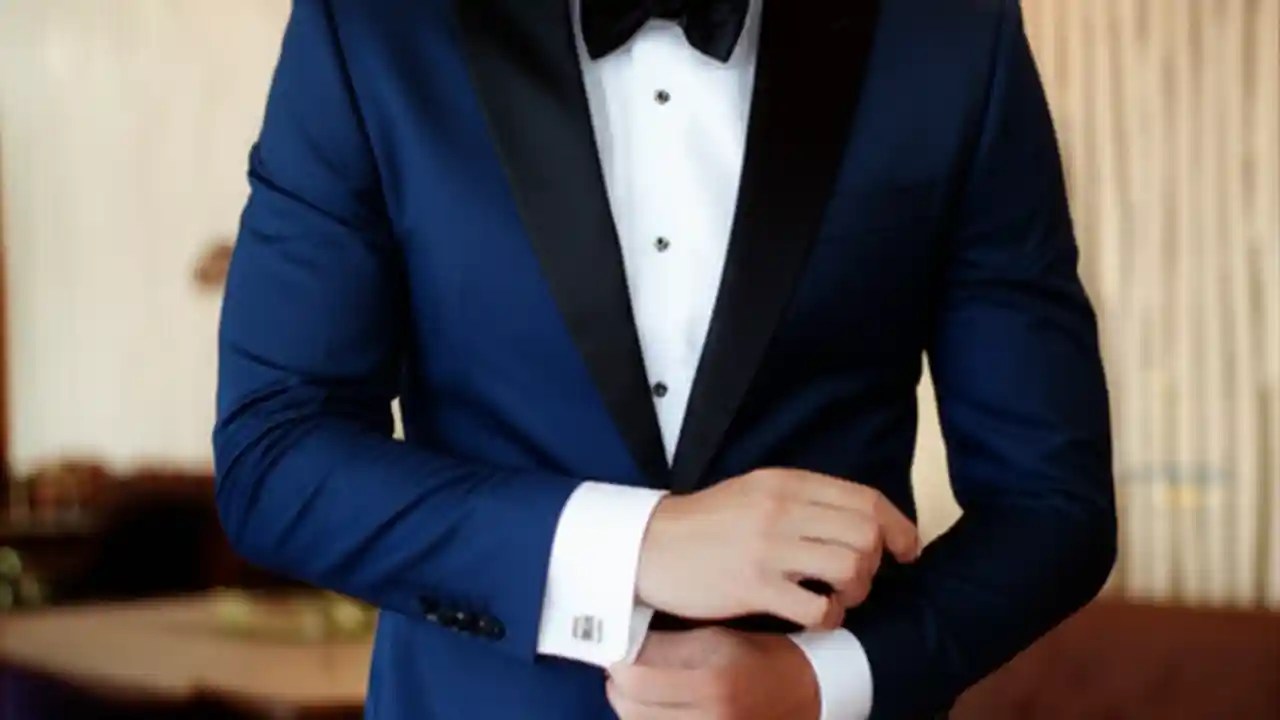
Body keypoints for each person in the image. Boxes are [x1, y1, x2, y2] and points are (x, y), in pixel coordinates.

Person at [213, 0, 1117, 718]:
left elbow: (1053, 502)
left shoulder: (951, 33)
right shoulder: (370, 24)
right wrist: (639, 546)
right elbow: (277, 456)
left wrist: (824, 681)